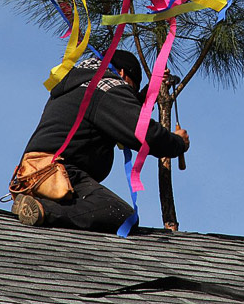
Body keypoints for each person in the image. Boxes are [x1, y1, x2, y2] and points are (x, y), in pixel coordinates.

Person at [11, 50, 189, 233]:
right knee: (122, 215)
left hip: (35, 172)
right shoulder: (108, 87)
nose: (128, 94)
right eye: (131, 88)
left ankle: (35, 206)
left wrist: (150, 91)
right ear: (121, 74)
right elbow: (145, 133)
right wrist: (178, 143)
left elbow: (118, 111)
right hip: (63, 173)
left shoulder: (79, 84)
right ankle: (44, 210)